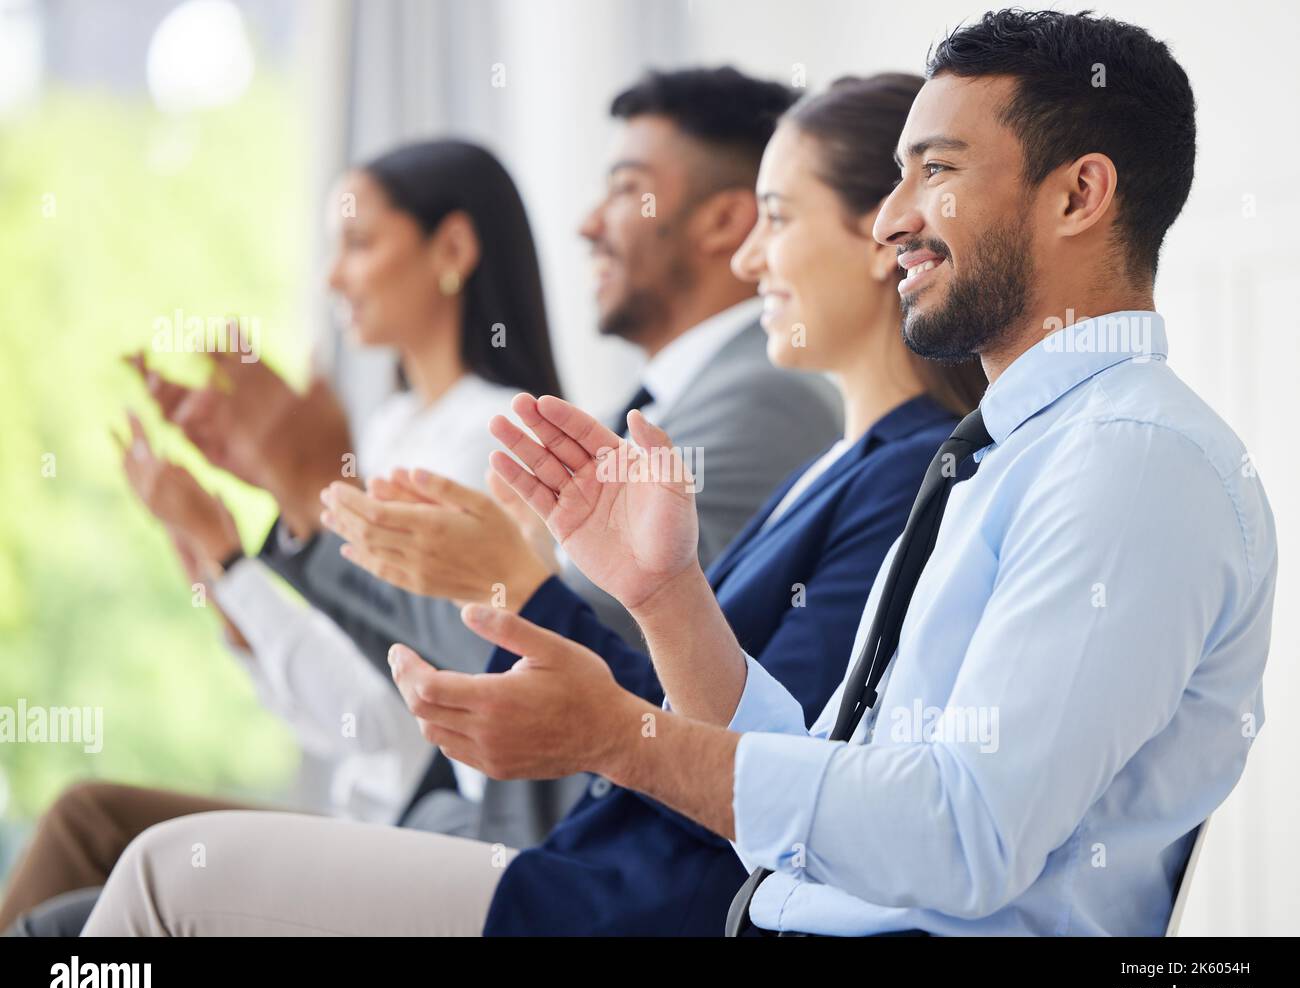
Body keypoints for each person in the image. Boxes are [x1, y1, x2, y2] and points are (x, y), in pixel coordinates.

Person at [379, 10, 1272, 936]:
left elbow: (962, 837)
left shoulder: (1128, 463)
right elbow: (826, 781)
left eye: (937, 170)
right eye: (897, 176)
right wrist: (666, 594)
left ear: (1079, 195)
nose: (890, 222)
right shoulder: (1008, 453)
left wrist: (620, 738)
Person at [78, 72, 986, 937]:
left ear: (886, 238)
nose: (754, 257)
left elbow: (766, 777)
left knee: (162, 872)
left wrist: (526, 586)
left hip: (621, 888)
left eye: (776, 218)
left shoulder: (878, 467)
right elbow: (728, 735)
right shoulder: (833, 464)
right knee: (109, 874)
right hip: (579, 851)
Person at [253, 67, 844, 848]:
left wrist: (317, 510)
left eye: (624, 190)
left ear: (722, 221)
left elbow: (587, 641)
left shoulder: (762, 400)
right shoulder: (641, 409)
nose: (587, 224)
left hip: (574, 845)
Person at [0, 139, 561, 935]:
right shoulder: (396, 426)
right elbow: (328, 717)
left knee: (63, 913)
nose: (334, 276)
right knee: (84, 820)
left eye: (360, 243)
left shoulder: (489, 442)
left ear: (454, 249)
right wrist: (219, 569)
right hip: (364, 813)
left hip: (415, 830)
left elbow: (379, 714)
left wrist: (237, 562)